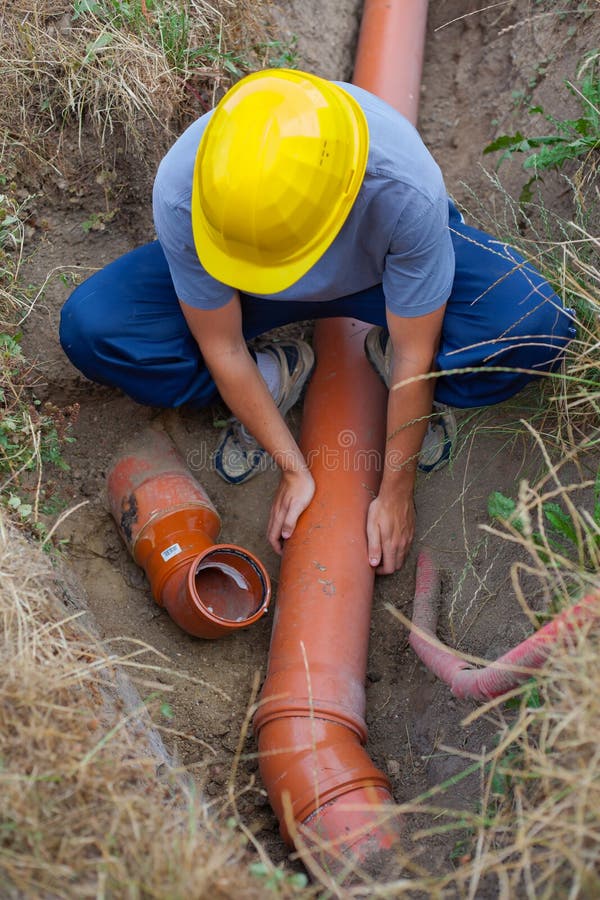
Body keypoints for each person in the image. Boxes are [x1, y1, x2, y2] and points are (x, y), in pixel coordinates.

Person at [60, 68, 575, 575]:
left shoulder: (400, 184)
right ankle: (271, 377)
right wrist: (292, 465)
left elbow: (418, 354)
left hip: (380, 275)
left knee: (534, 325)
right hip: (246, 284)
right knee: (96, 328)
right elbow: (223, 346)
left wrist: (395, 493)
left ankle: (394, 361)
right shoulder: (188, 187)